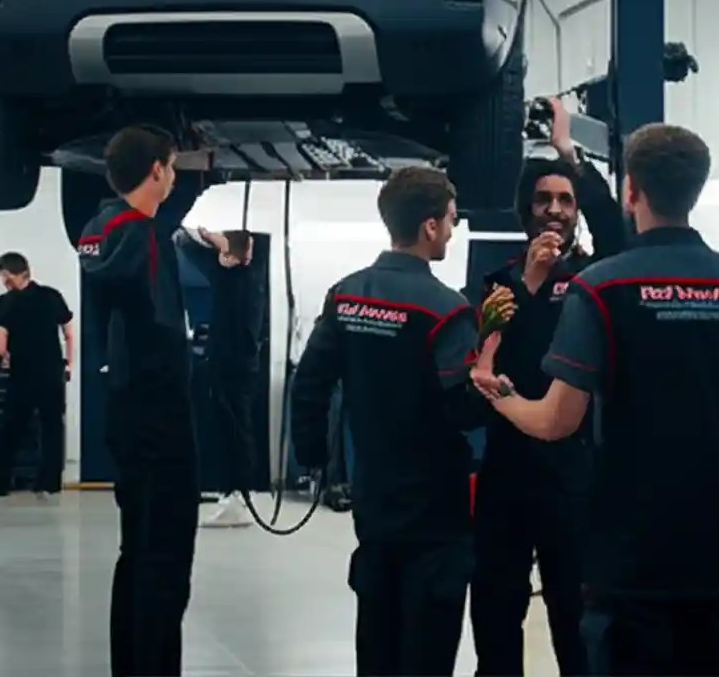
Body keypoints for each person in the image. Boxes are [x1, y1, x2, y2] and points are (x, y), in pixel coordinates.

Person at [475, 123, 719, 676]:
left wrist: (500, 394)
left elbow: (558, 418)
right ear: (697, 190)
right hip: (715, 552)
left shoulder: (602, 286)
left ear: (631, 191)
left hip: (627, 557)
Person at [290, 166, 506, 676]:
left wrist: (315, 458)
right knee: (426, 654)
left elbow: (311, 383)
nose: (452, 232)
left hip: (375, 503)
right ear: (430, 226)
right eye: (451, 220)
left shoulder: (347, 295)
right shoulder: (447, 311)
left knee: (377, 645)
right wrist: (492, 377)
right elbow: (460, 408)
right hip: (435, 514)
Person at [468, 99, 625, 677]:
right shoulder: (495, 283)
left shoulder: (596, 277)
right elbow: (485, 365)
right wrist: (528, 283)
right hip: (507, 468)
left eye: (565, 200)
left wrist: (568, 154)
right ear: (526, 211)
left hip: (574, 471)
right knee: (495, 604)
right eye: (544, 200)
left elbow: (618, 231)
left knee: (573, 613)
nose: (555, 210)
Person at [77, 125, 202, 677]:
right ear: (156, 171)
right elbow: (159, 327)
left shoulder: (98, 228)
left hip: (124, 413)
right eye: (172, 166)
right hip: (160, 417)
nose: (174, 176)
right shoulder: (142, 236)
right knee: (167, 560)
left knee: (136, 554)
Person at [174, 225, 265, 527]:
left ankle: (236, 496)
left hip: (233, 369)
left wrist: (212, 240)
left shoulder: (236, 279)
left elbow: (193, 247)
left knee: (236, 431)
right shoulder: (243, 279)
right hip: (234, 367)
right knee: (232, 430)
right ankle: (234, 493)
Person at [0, 252, 73, 499]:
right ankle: (49, 482)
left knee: (11, 428)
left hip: (22, 374)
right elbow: (69, 333)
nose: (3, 281)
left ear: (10, 274)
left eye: (3, 276)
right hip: (52, 373)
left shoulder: (4, 302)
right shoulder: (52, 297)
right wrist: (68, 364)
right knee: (52, 427)